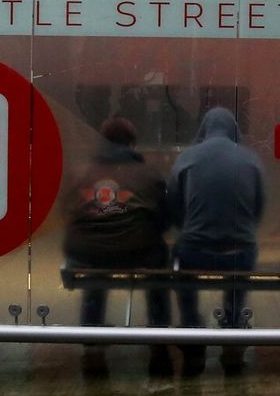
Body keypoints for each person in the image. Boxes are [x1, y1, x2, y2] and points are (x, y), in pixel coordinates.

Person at [63, 117, 172, 377]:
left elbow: (67, 210)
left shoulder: (83, 172)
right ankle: (158, 336)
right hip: (137, 250)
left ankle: (92, 339)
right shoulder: (148, 174)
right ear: (132, 144)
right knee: (159, 265)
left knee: (93, 268)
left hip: (86, 252)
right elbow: (165, 218)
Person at [167, 107, 265, 376]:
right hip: (239, 252)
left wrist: (189, 229)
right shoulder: (250, 160)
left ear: (205, 129)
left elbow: (173, 204)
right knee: (240, 272)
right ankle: (233, 331)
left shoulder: (187, 158)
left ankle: (192, 330)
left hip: (195, 250)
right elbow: (258, 208)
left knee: (178, 261)